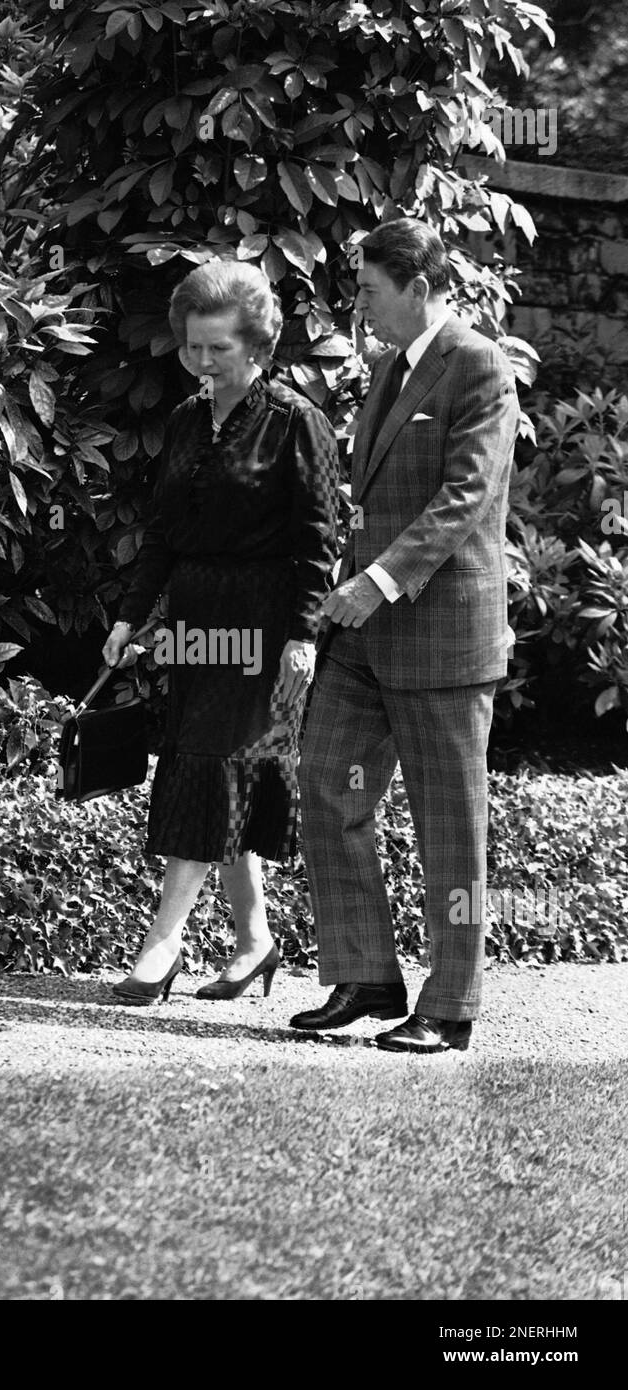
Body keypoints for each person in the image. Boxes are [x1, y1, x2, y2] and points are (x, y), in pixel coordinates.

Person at [292, 217, 519, 1053]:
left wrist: (377, 580)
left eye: (368, 291)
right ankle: (366, 978)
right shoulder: (390, 368)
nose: (359, 308)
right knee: (323, 784)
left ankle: (450, 1005)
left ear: (417, 286)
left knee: (450, 828)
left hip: (440, 636)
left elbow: (463, 499)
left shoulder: (479, 365)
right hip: (362, 634)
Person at [102, 259, 339, 1004]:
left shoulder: (296, 422)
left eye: (219, 349)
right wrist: (128, 618)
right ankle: (255, 941)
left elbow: (318, 542)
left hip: (266, 630)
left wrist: (303, 637)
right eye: (192, 347)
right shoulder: (181, 422)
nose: (201, 362)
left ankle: (161, 942)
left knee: (211, 762)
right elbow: (162, 536)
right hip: (194, 626)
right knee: (211, 765)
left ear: (258, 347)